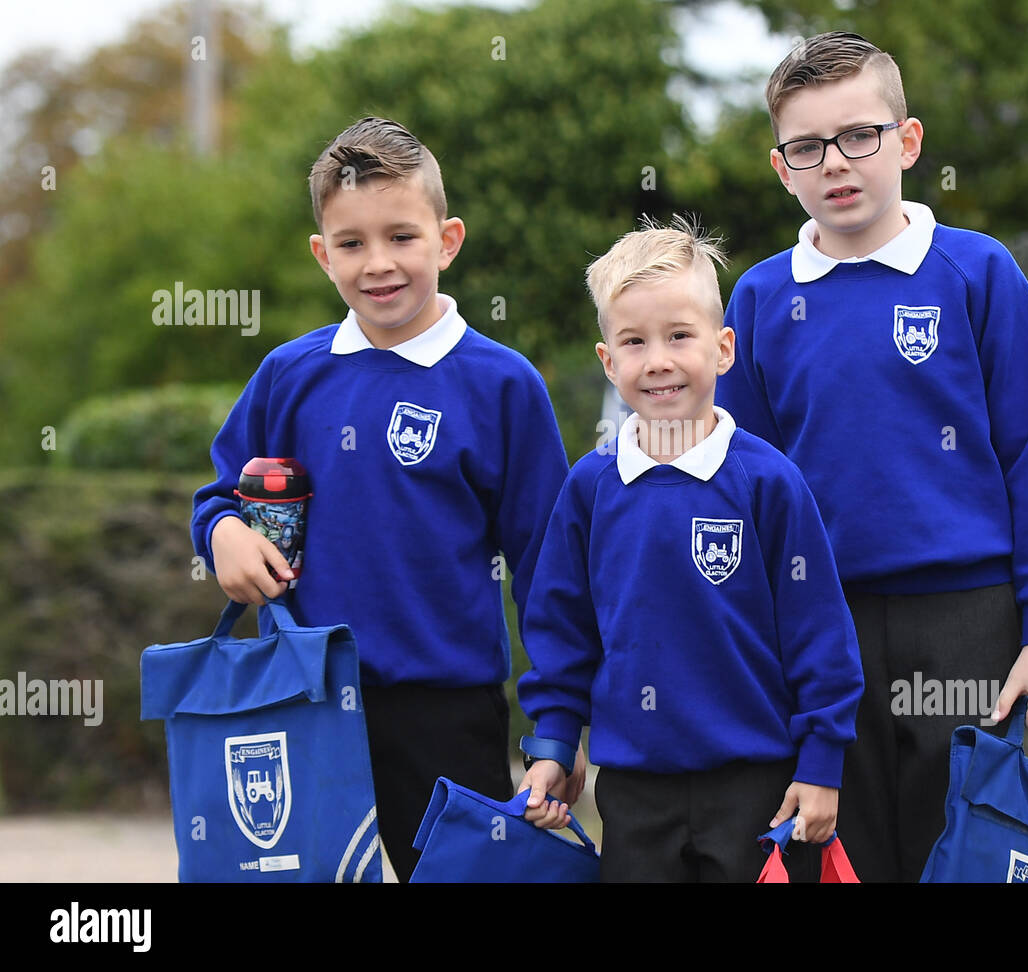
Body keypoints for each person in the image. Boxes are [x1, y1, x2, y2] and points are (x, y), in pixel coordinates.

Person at [716, 32, 1028, 881]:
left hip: (967, 620)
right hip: (818, 624)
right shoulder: (762, 297)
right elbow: (747, 486)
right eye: (808, 146)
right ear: (782, 167)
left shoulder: (977, 271)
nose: (836, 162)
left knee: (967, 851)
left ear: (907, 142)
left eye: (860, 136)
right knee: (842, 851)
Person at [191, 116, 574, 882]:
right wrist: (222, 531)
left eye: (402, 237)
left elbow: (551, 575)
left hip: (449, 714)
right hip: (302, 704)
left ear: (447, 239)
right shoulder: (287, 375)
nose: (379, 264)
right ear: (321, 253)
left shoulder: (503, 385)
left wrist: (557, 733)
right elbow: (218, 494)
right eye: (352, 243)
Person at [514, 217, 864, 882]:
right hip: (635, 788)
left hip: (756, 785)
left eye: (680, 336)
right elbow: (562, 632)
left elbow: (820, 634)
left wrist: (822, 764)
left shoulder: (769, 483)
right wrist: (554, 745)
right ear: (608, 361)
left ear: (724, 348)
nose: (659, 360)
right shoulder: (590, 488)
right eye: (634, 342)